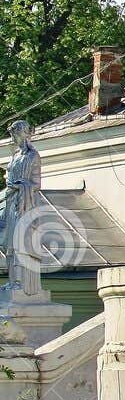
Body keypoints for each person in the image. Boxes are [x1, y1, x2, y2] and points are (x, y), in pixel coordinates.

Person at [1, 120, 44, 296]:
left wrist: (20, 186)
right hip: (11, 202)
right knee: (9, 244)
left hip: (26, 204)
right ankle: (13, 281)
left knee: (20, 244)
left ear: (25, 135)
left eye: (16, 135)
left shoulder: (32, 155)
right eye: (12, 136)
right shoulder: (15, 156)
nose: (14, 139)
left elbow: (36, 183)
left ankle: (20, 282)